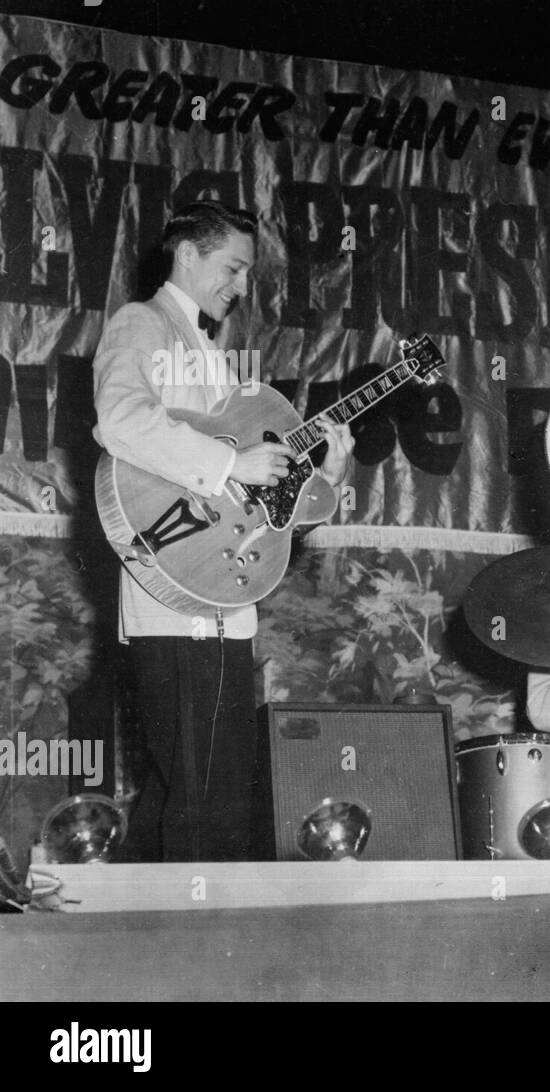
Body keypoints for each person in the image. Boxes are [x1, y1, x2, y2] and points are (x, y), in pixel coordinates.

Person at [93, 201, 354, 862]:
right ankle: (198, 952)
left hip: (218, 596)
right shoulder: (142, 324)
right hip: (180, 598)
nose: (241, 285)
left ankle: (148, 947)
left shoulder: (212, 351)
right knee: (206, 801)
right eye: (233, 267)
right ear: (187, 253)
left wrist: (330, 470)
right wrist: (231, 462)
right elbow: (121, 418)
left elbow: (257, 503)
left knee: (181, 787)